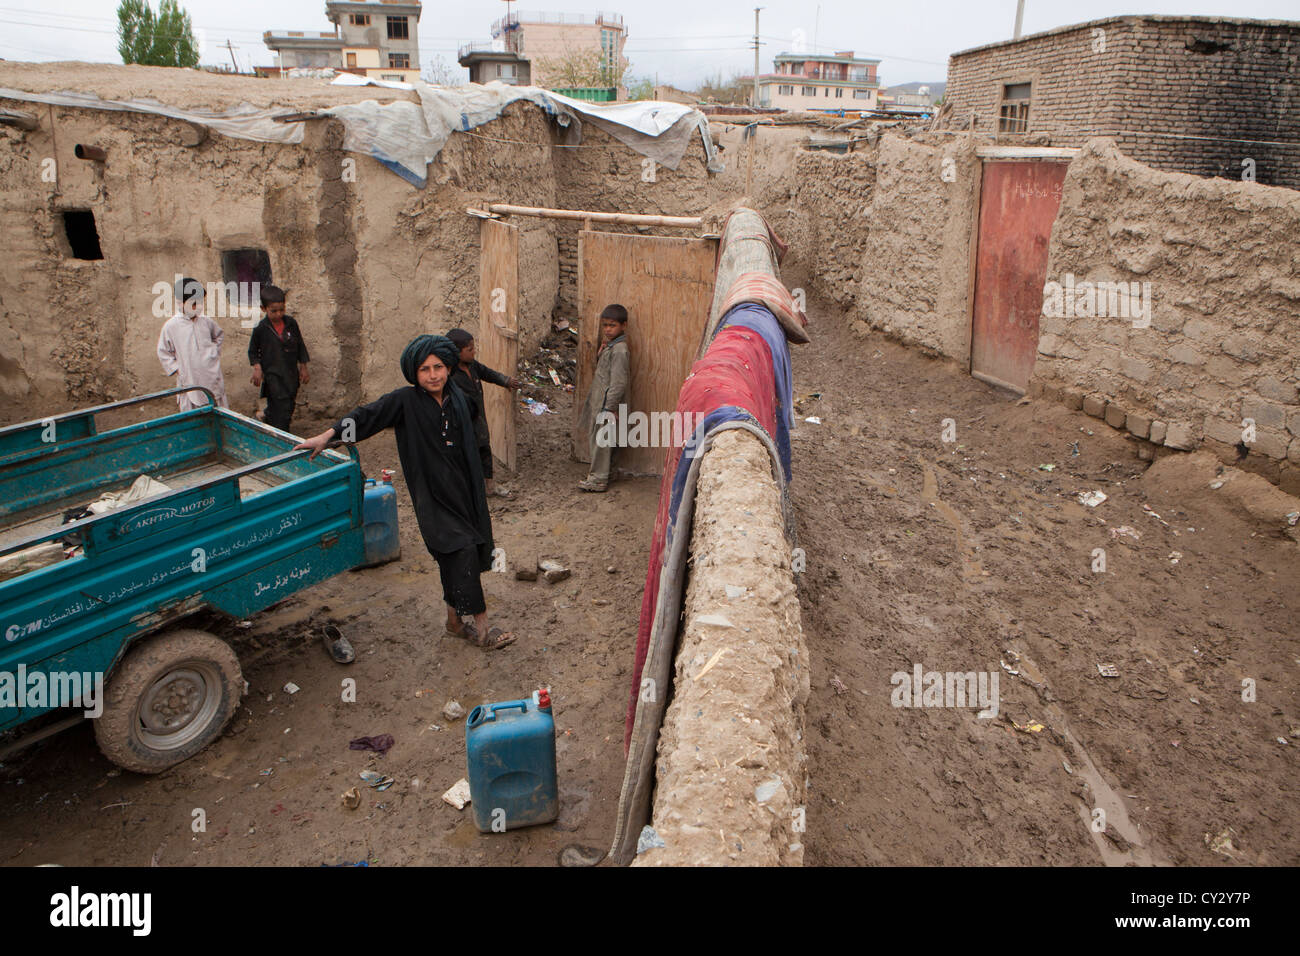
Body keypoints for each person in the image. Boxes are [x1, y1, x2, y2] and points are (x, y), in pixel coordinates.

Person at [294, 334, 516, 650]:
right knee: (463, 551)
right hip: (432, 498)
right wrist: (328, 437)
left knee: (452, 558)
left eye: (438, 367)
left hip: (464, 493)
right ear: (414, 372)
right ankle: (483, 631)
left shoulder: (460, 399)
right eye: (425, 369)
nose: (433, 375)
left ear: (448, 367)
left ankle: (454, 623)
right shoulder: (405, 402)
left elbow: (474, 429)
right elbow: (365, 416)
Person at [446, 328, 521, 499]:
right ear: (457, 353)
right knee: (466, 454)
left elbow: (488, 373)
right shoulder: (451, 376)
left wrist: (506, 381)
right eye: (470, 349)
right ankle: (469, 489)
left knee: (485, 450)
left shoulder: (473, 366)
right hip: (463, 423)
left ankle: (489, 486)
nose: (474, 351)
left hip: (479, 419)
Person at [576, 304, 630, 492]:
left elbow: (619, 382)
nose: (607, 329)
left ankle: (598, 479)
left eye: (612, 325)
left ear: (624, 325)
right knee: (607, 439)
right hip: (603, 403)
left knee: (601, 441)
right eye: (605, 325)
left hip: (608, 405)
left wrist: (610, 407)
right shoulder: (611, 347)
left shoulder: (620, 350)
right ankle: (609, 473)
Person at [156, 276, 228, 411]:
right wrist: (178, 369)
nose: (198, 307)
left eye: (200, 303)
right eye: (193, 304)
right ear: (180, 303)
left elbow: (218, 336)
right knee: (194, 412)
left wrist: (213, 354)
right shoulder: (171, 326)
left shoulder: (206, 321)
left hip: (211, 375)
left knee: (217, 409)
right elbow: (163, 352)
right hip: (189, 377)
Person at [248, 284, 311, 432]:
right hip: (272, 373)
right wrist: (257, 368)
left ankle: (265, 416)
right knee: (279, 402)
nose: (278, 314)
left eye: (282, 310)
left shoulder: (291, 324)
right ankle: (282, 433)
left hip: (290, 372)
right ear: (263, 309)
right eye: (274, 311)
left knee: (289, 401)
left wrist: (303, 367)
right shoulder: (261, 328)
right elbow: (252, 352)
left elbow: (300, 345)